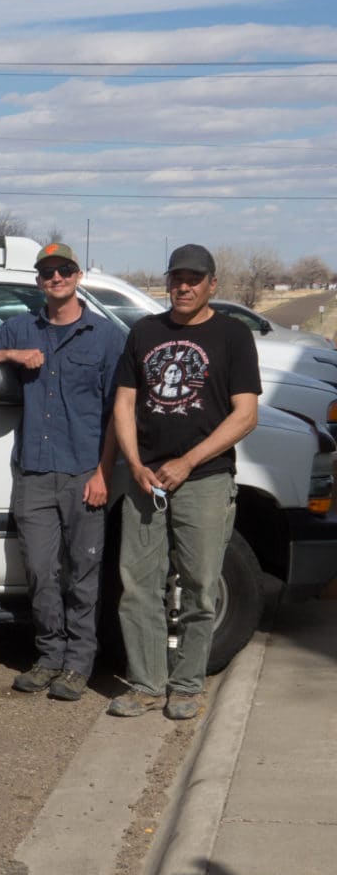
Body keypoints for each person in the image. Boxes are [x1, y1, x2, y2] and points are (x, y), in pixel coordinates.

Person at [108, 244, 260, 721]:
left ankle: (188, 685)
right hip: (146, 479)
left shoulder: (233, 336)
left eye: (194, 278)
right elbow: (124, 404)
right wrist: (134, 464)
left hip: (205, 480)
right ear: (168, 281)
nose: (184, 286)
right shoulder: (145, 332)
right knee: (138, 587)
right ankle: (148, 684)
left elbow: (246, 415)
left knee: (199, 585)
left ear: (212, 283)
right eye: (177, 278)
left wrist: (188, 461)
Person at [0, 243, 126, 702]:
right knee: (41, 573)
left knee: (83, 573)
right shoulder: (19, 327)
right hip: (34, 473)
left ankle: (78, 664)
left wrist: (103, 473)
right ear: (38, 281)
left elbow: (117, 413)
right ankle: (49, 657)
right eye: (47, 272)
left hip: (84, 472)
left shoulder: (106, 337)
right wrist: (12, 356)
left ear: (78, 275)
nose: (56, 278)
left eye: (63, 270)